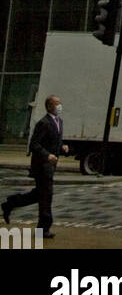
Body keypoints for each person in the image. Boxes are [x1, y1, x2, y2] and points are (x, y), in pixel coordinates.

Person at [2, 94, 68, 238]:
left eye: (60, 103)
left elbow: (52, 141)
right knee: (46, 196)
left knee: (39, 195)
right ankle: (43, 229)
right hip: (42, 166)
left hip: (50, 167)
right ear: (49, 106)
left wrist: (62, 147)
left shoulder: (59, 121)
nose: (59, 106)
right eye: (57, 104)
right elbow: (34, 144)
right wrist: (47, 155)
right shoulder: (43, 123)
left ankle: (10, 203)